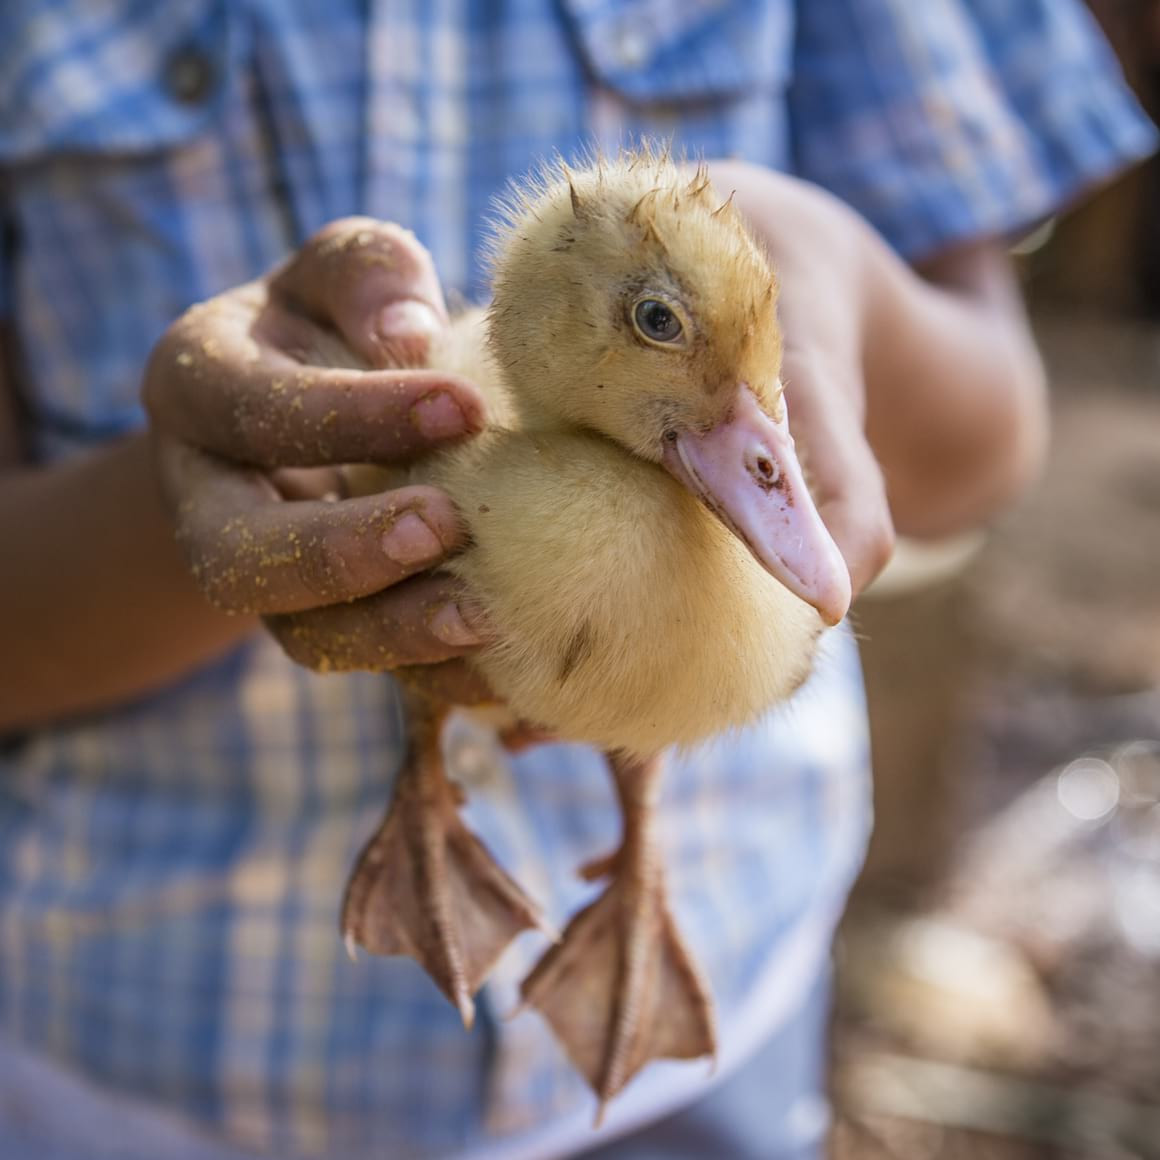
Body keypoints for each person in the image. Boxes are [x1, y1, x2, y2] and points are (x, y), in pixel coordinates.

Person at [0, 1, 1153, 1157]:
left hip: (726, 986)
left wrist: (835, 267)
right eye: (653, 323)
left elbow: (989, 438)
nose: (762, 447)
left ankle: (641, 856)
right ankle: (427, 789)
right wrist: (203, 487)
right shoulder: (469, 425)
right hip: (125, 1045)